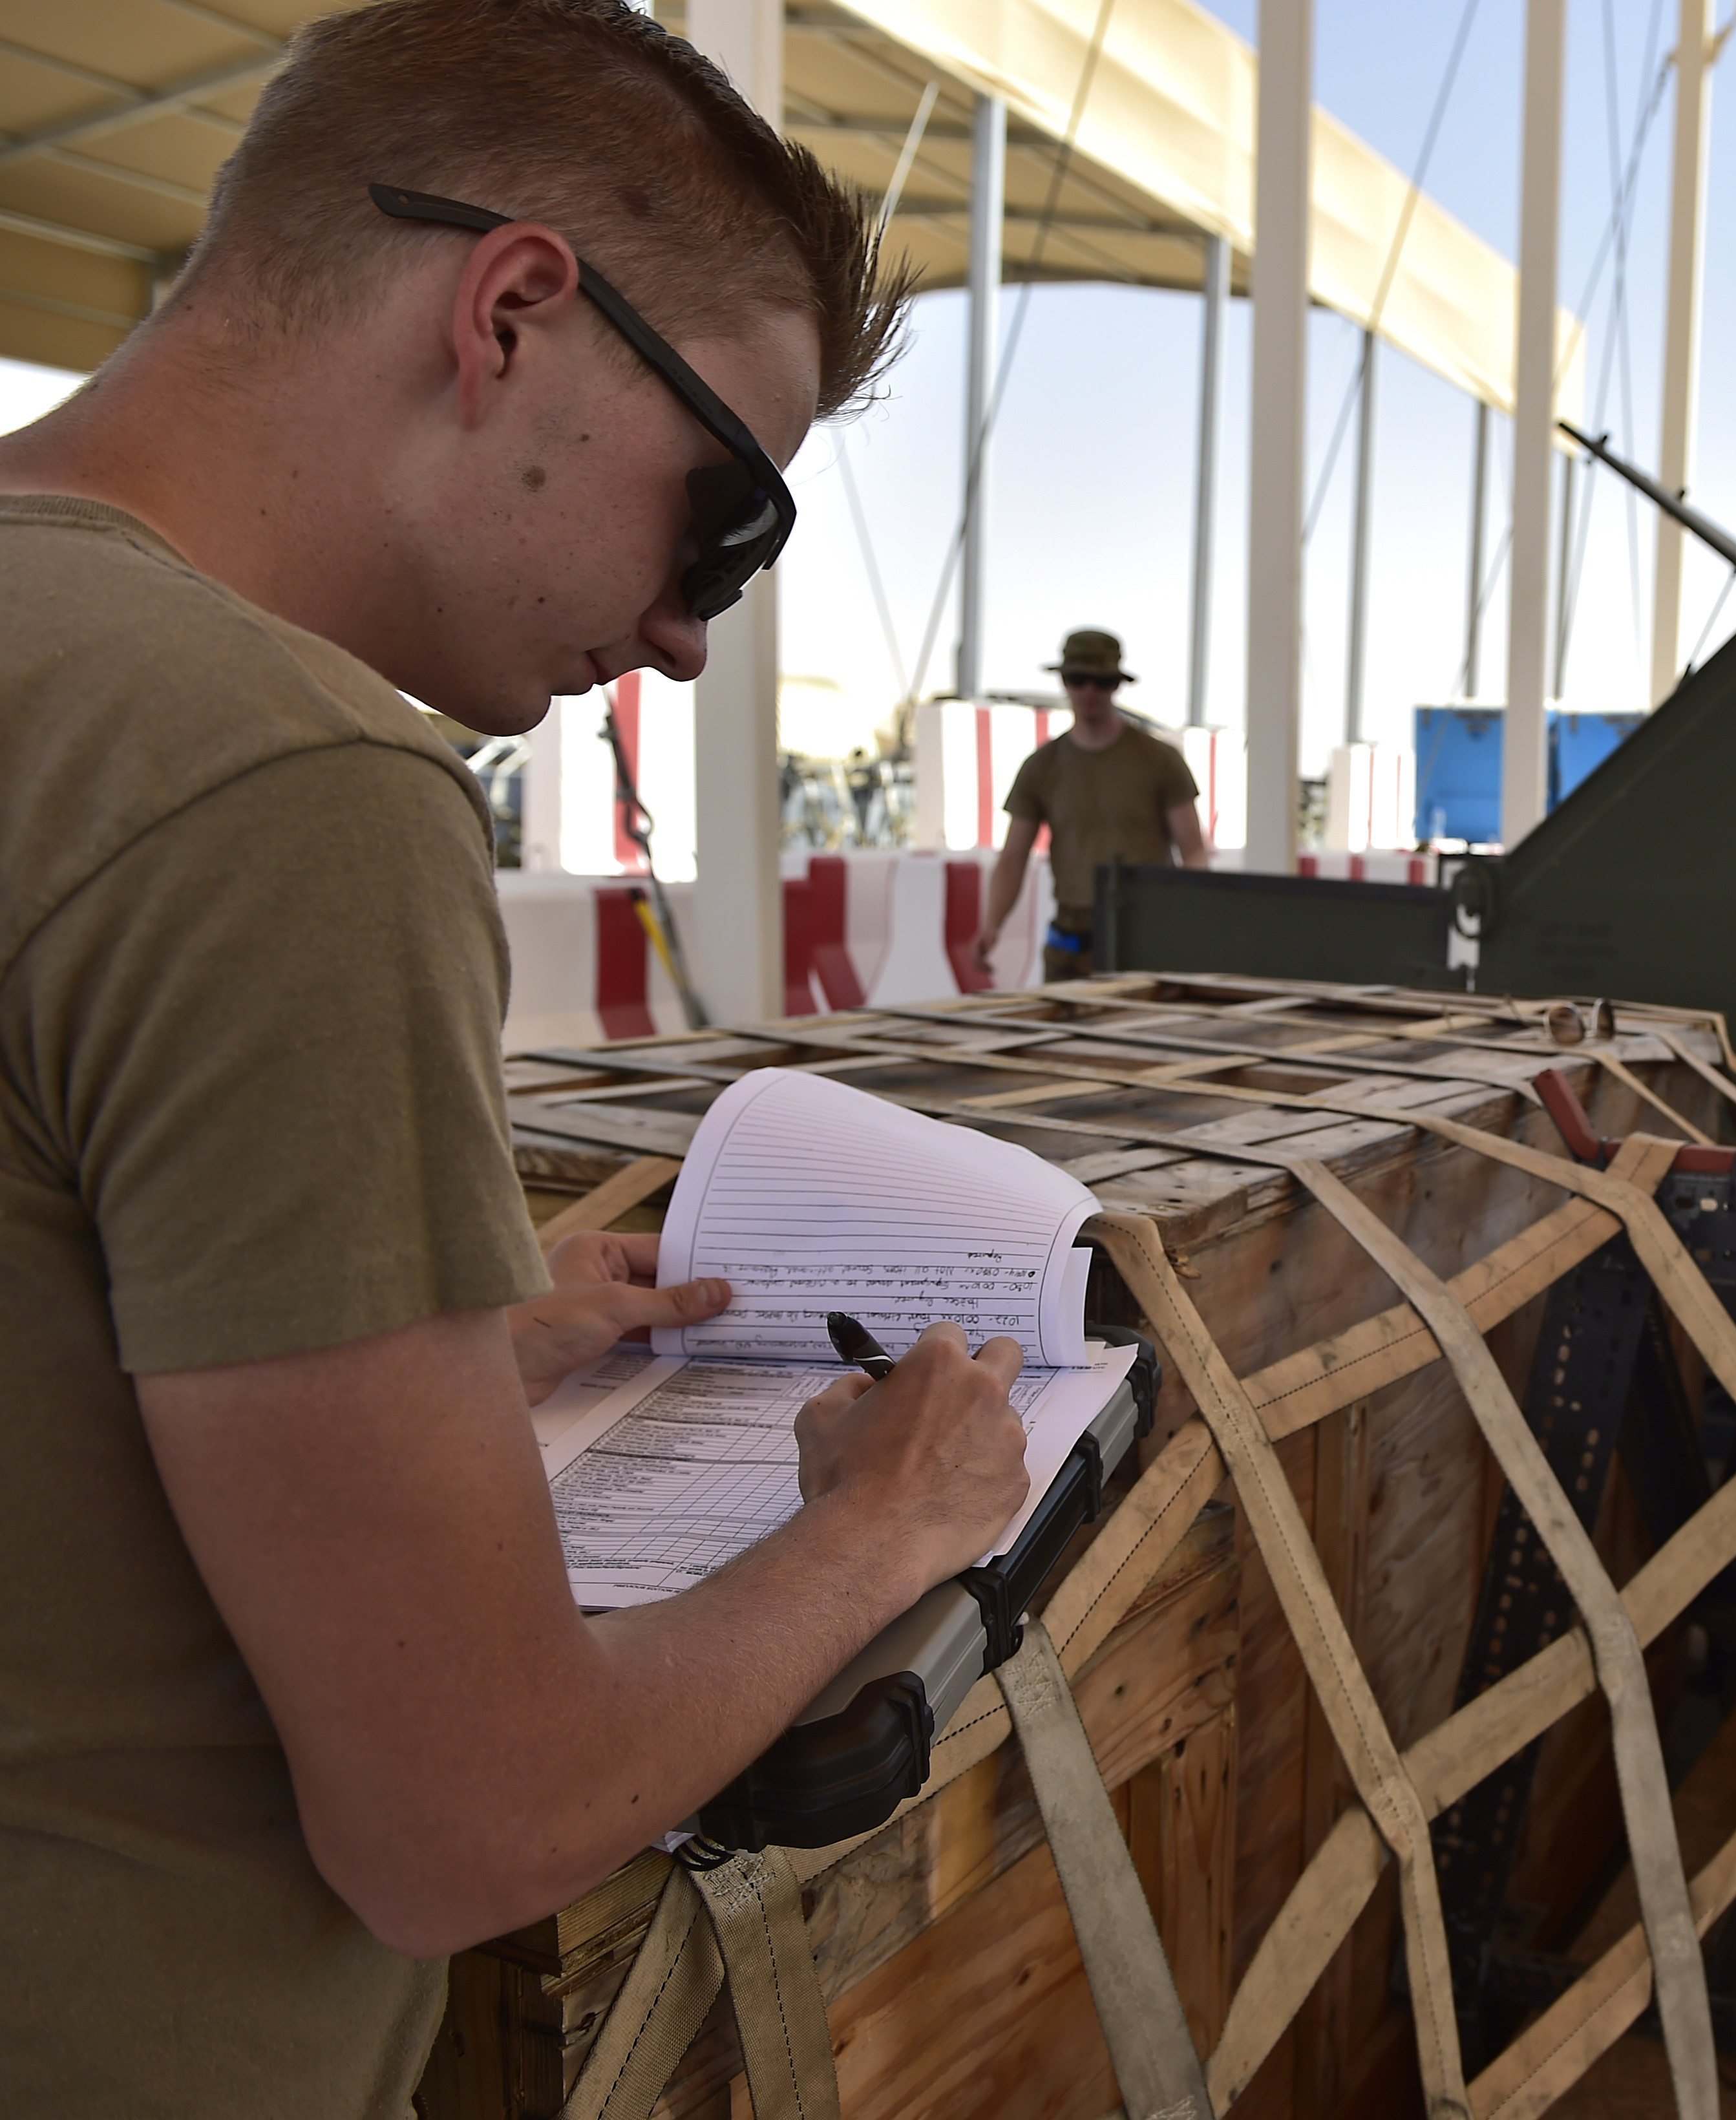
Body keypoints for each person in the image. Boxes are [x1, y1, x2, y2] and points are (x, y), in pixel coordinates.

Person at [0, 5, 1034, 2112]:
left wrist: (422, 1363)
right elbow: (460, 1823)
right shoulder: (274, 777)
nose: (688, 634)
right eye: (721, 514)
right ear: (512, 315)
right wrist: (877, 1529)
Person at [979, 627, 1209, 982]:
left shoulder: (1159, 760)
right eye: (1078, 679)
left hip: (1144, 936)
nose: (1089, 692)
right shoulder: (1042, 767)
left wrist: (1181, 921)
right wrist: (991, 924)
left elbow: (1193, 852)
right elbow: (1013, 857)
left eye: (1101, 682)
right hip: (1071, 944)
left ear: (1117, 686)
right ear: (1064, 682)